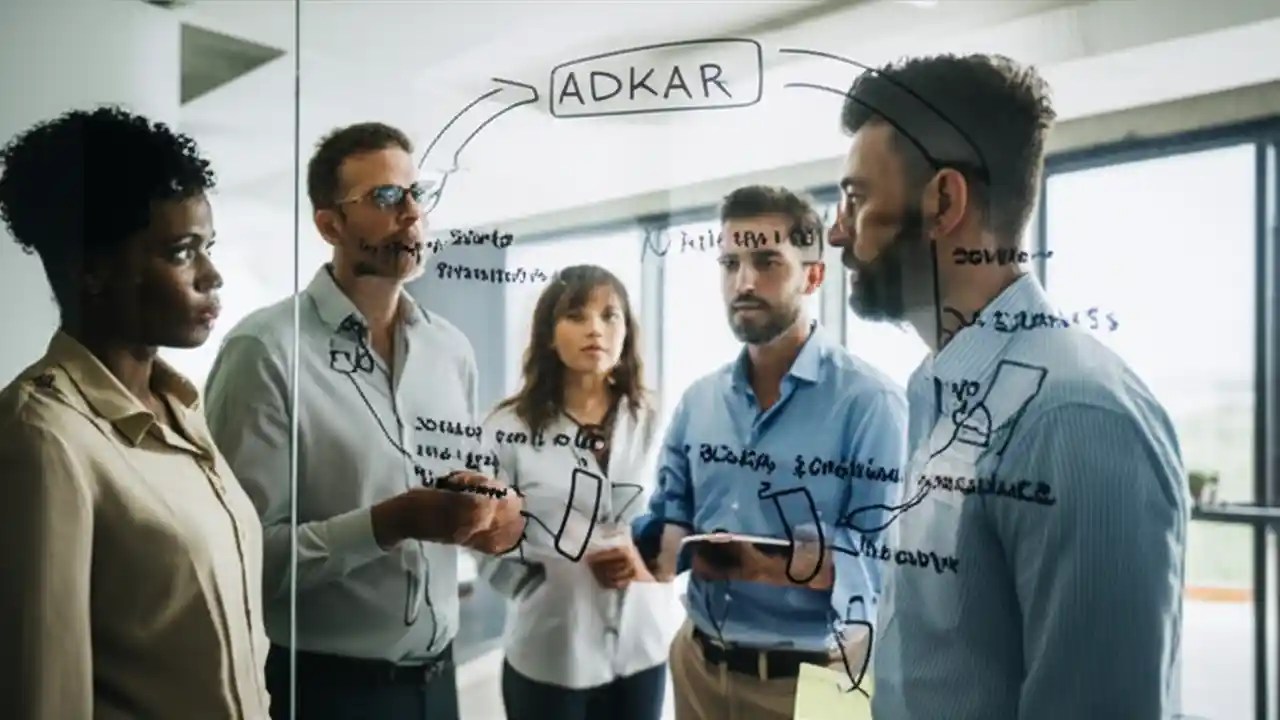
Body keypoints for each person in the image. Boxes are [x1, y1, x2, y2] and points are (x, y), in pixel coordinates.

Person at [829, 53, 1188, 719]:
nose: (835, 231)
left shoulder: (1074, 419)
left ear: (943, 201)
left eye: (855, 198)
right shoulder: (936, 391)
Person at [203, 121, 524, 720]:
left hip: (439, 685)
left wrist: (499, 515)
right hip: (325, 693)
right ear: (330, 225)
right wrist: (388, 522)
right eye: (383, 197)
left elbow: (472, 482)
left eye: (415, 194)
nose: (411, 213)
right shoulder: (266, 351)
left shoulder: (451, 350)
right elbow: (237, 560)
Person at [0, 106, 270, 718]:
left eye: (208, 248)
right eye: (181, 253)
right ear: (90, 271)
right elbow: (45, 696)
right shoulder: (43, 436)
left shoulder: (179, 408)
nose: (212, 276)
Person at [641, 185, 908, 720]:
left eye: (766, 262)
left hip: (821, 681)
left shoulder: (872, 404)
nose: (743, 282)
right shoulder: (698, 402)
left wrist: (762, 566)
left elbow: (884, 566)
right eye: (730, 263)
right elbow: (669, 515)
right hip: (699, 669)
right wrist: (646, 544)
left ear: (813, 275)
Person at [477, 264, 677, 720]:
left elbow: (676, 515)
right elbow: (480, 534)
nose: (595, 329)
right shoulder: (508, 428)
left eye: (610, 316)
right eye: (576, 316)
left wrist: (646, 565)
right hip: (552, 648)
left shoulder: (652, 417)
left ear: (627, 331)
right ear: (549, 334)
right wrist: (534, 583)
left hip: (641, 648)